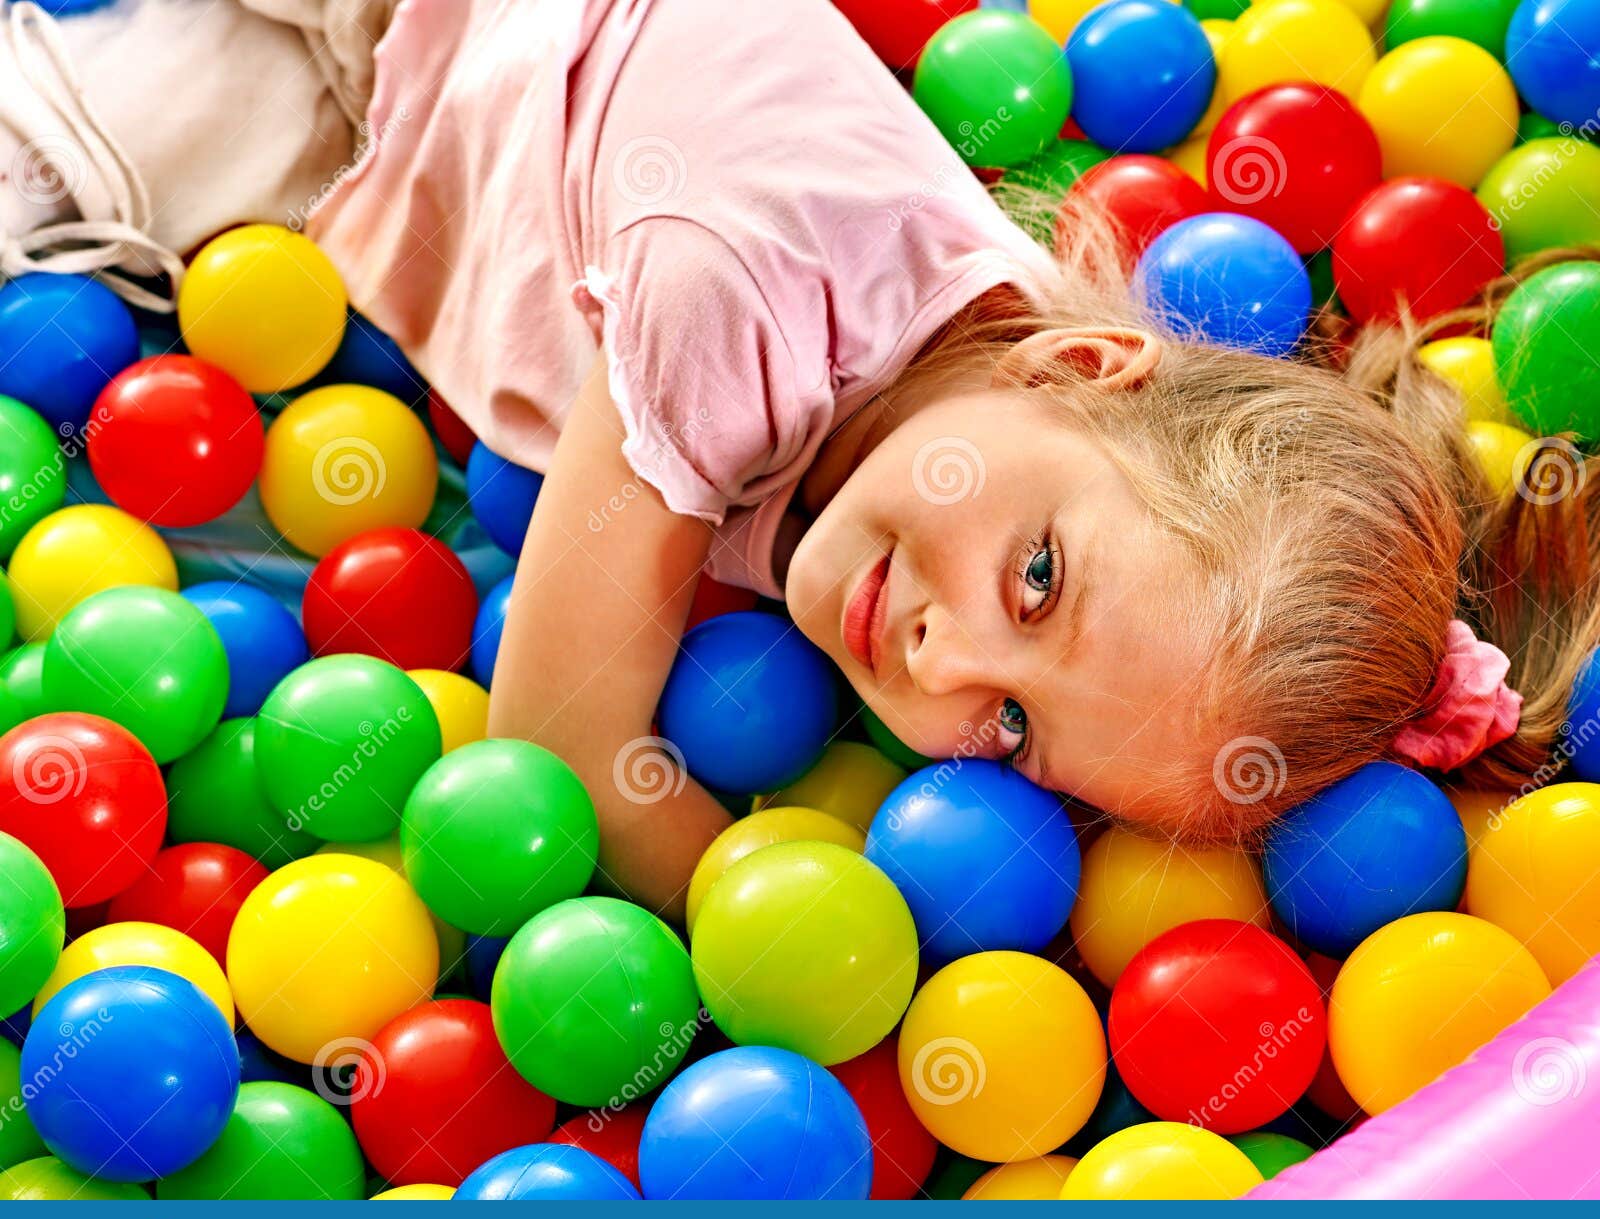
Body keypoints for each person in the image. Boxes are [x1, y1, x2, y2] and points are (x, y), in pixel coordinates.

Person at [4, 0, 1594, 921]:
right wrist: (786, 919)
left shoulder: (1001, 422)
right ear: (1080, 362)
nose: (940, 659)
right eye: (1039, 580)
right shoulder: (736, 297)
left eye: (1014, 732)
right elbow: (558, 746)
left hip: (409, 109)